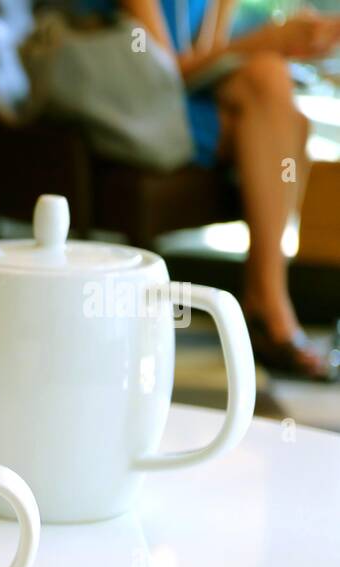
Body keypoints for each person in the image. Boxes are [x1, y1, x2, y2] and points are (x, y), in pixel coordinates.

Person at [116, 0, 340, 380]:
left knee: (287, 115)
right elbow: (163, 74)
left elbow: (205, 62)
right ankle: (268, 306)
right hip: (123, 97)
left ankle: (268, 301)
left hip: (173, 95)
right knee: (270, 92)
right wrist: (268, 40)